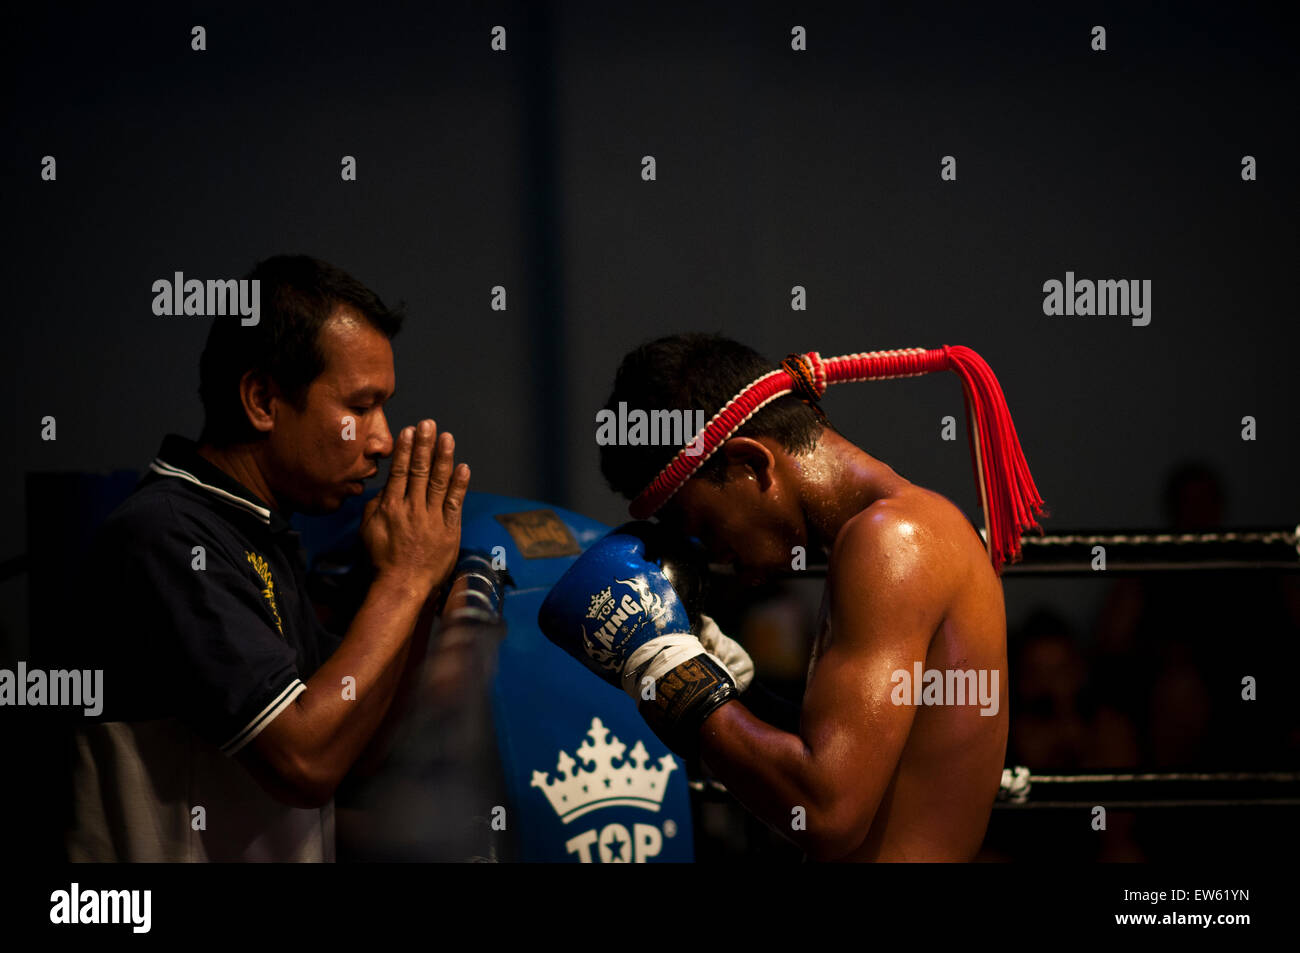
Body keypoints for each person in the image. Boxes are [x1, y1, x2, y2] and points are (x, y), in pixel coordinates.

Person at [541, 334, 1042, 861]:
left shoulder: (891, 542)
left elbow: (827, 812)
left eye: (703, 525)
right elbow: (861, 760)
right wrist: (730, 687)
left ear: (750, 464)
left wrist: (669, 671)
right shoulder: (883, 536)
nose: (714, 555)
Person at [66, 255, 470, 861]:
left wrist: (421, 592)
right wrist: (406, 579)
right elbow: (304, 764)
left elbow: (352, 754)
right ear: (262, 400)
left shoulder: (254, 530)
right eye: (359, 409)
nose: (383, 441)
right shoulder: (169, 537)